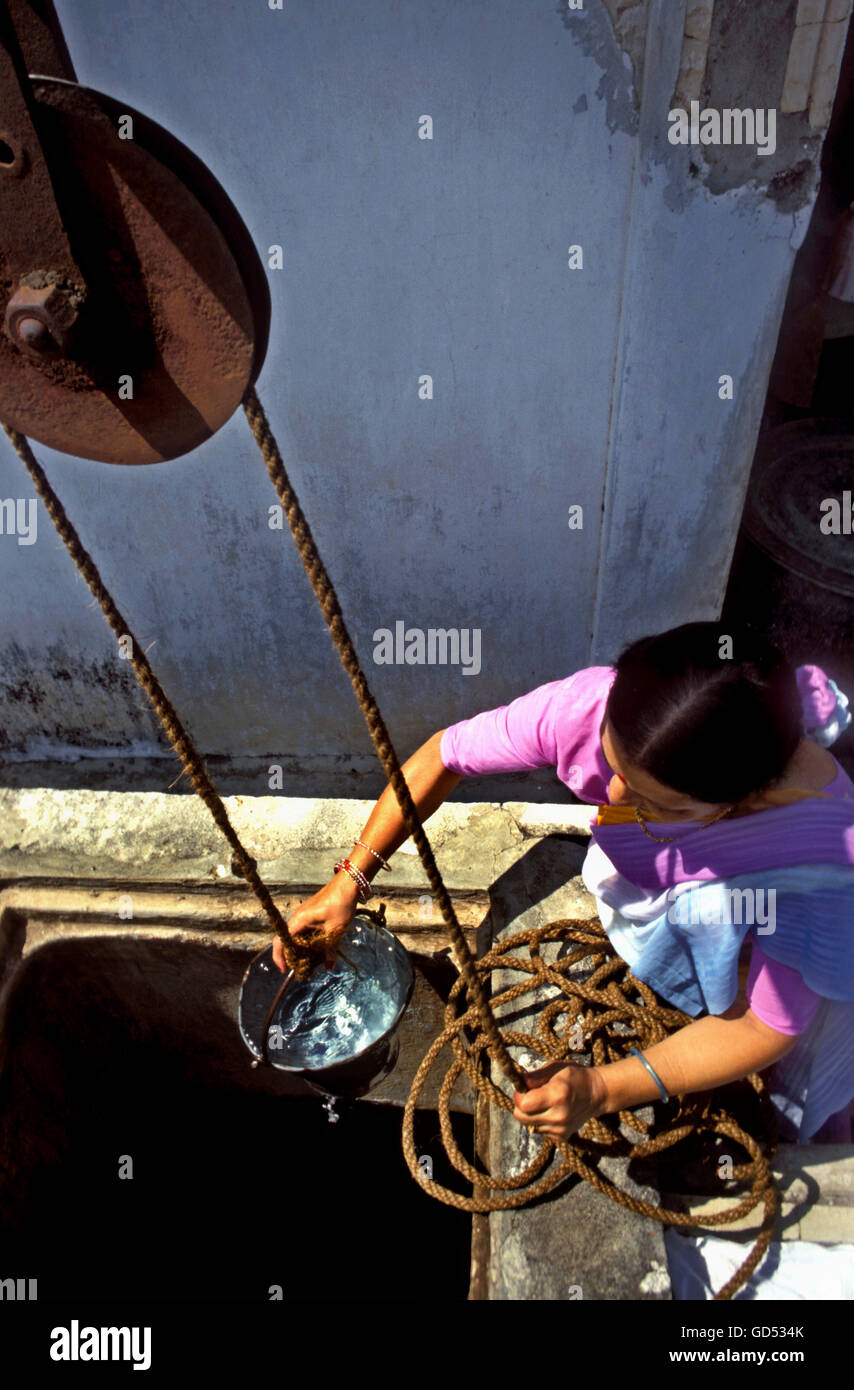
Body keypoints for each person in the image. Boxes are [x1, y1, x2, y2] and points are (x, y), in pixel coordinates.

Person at [274, 623, 854, 1145]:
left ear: (741, 802)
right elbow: (443, 756)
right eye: (613, 765)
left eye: (654, 802)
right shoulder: (587, 707)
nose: (615, 799)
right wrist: (348, 883)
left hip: (762, 934)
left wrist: (606, 1088)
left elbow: (767, 1026)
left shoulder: (818, 868)